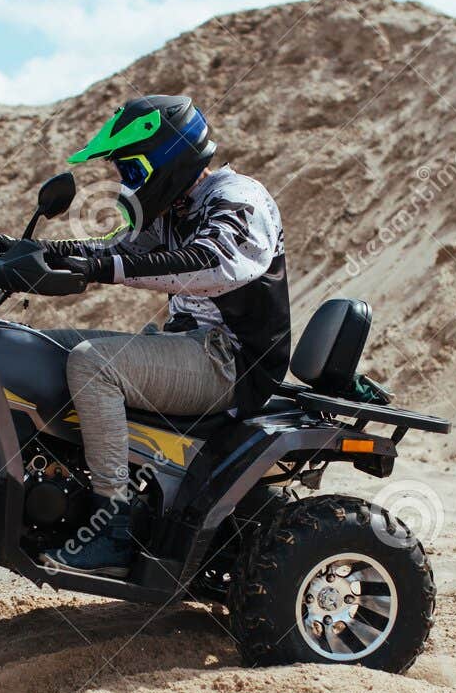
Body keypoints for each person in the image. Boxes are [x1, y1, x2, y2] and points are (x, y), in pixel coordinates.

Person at [41, 95, 292, 575]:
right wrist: (25, 253)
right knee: (48, 346)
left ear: (166, 158)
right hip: (189, 347)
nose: (124, 184)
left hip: (231, 363)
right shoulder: (173, 209)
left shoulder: (239, 198)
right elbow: (110, 248)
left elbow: (210, 261)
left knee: (93, 362)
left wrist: (103, 267)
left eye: (131, 171)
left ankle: (111, 526)